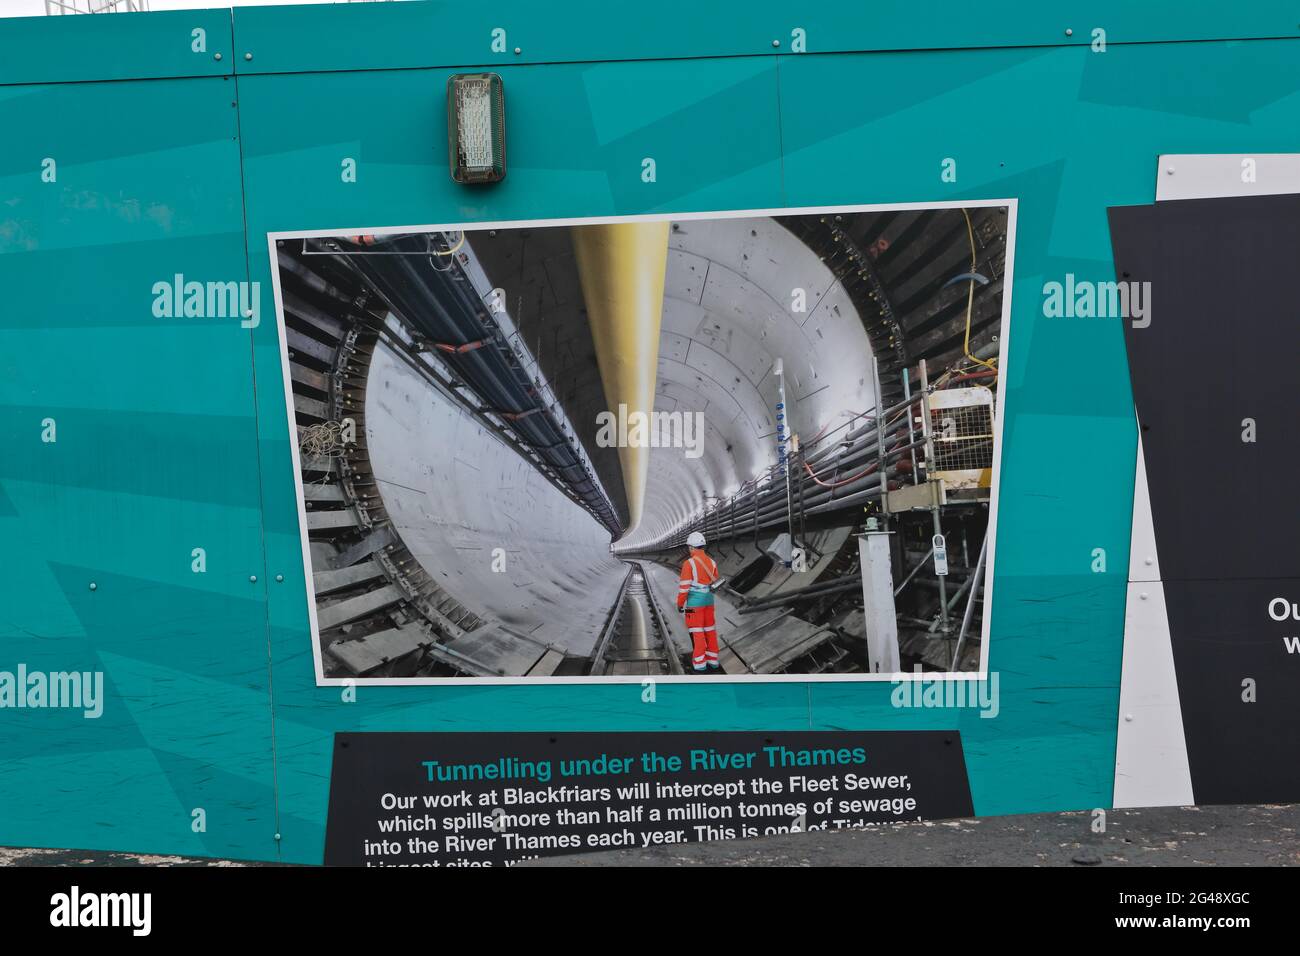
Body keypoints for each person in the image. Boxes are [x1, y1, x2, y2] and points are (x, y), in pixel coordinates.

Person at [676, 531, 722, 673]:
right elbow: (714, 581)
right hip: (709, 602)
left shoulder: (689, 564)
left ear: (691, 547)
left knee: (697, 632)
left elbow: (684, 588)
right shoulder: (712, 562)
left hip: (693, 606)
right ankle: (713, 660)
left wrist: (680, 604)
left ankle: (700, 663)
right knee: (710, 630)